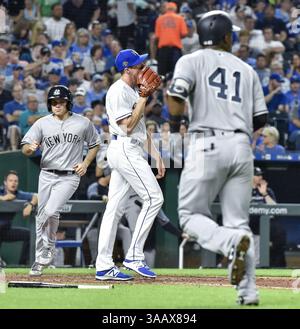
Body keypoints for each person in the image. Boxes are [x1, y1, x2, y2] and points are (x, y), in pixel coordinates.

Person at [167, 10, 268, 305]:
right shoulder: (246, 69)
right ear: (226, 36)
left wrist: (175, 130)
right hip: (241, 144)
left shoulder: (190, 60)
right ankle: (248, 292)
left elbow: (176, 97)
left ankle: (230, 243)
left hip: (206, 142)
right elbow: (261, 119)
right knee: (239, 221)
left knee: (189, 216)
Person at [95, 49, 164, 281]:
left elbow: (141, 130)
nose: (143, 69)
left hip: (127, 147)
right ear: (127, 69)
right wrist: (144, 97)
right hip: (124, 147)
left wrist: (156, 156)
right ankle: (134, 255)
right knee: (155, 198)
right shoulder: (118, 91)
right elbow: (127, 127)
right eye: (138, 66)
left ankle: (104, 265)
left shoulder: (132, 91)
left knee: (114, 210)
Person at [21, 85, 100, 276]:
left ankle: (48, 247)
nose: (57, 105)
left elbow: (95, 144)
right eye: (53, 102)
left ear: (68, 103)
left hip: (69, 176)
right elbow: (25, 147)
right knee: (44, 216)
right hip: (47, 173)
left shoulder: (82, 122)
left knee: (49, 211)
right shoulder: (42, 123)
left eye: (61, 101)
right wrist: (29, 149)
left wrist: (86, 162)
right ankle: (40, 260)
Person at [0, 170, 38, 265]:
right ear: (5, 182)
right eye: (10, 180)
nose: (13, 183)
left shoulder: (18, 194)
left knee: (30, 235)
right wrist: (3, 198)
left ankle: (23, 265)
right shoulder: (1, 191)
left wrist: (31, 205)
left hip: (5, 230)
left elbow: (36, 196)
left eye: (15, 181)